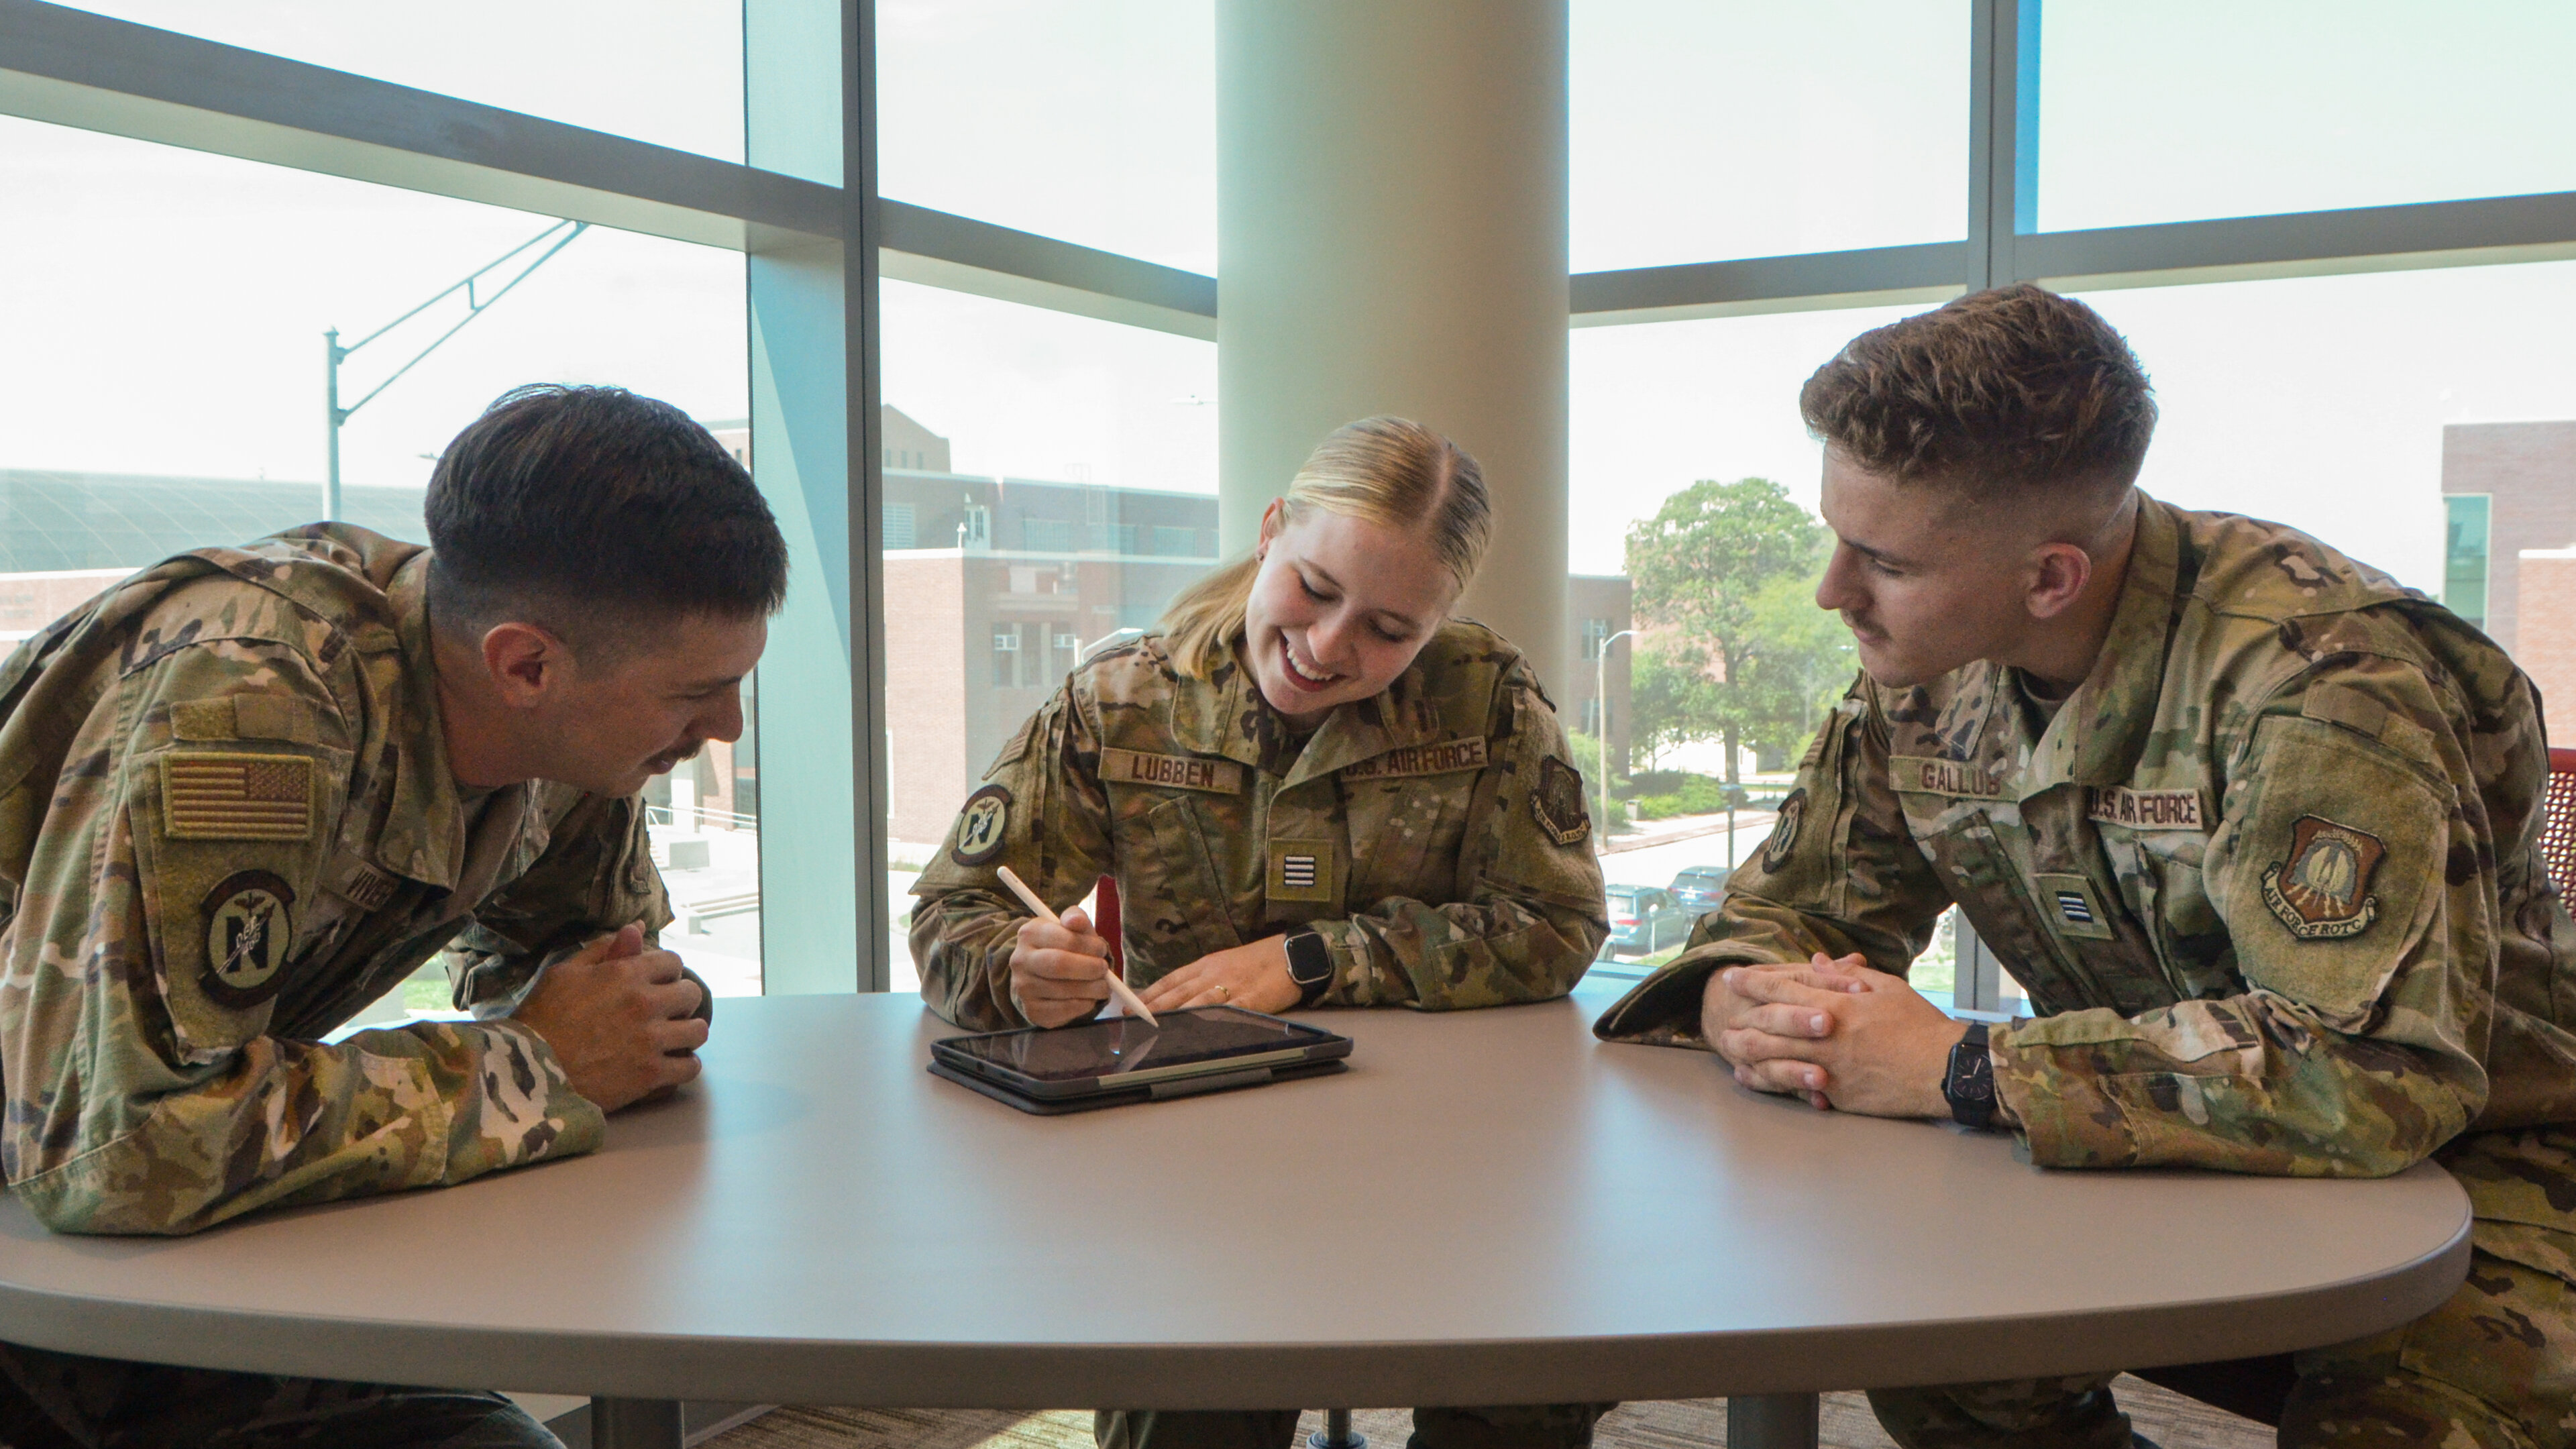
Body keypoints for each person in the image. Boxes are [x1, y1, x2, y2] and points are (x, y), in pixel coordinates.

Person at [1593, 283, 2576, 1448]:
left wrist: (1962, 1069)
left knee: (2412, 1426)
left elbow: (2372, 1076)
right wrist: (1740, 996)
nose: (1831, 591)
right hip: (2146, 1133)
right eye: (1837, 537)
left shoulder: (2324, 684)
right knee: (1933, 1343)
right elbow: (1792, 907)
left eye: (1883, 561)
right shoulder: (1932, 657)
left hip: (2494, 1167)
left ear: (2051, 577)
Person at [0, 384, 786, 1448]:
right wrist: (536, 1062)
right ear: (526, 665)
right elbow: (125, 1147)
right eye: (694, 693)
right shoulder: (250, 697)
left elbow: (610, 981)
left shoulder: (567, 735)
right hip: (53, 1268)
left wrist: (614, 1021)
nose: (725, 727)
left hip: (150, 1252)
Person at [911, 417, 1612, 1449]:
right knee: (1186, 1420)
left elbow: (1556, 921)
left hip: (1445, 1154)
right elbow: (951, 911)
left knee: (1521, 1398)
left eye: (1389, 630)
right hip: (1197, 1170)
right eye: (1315, 589)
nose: (1328, 648)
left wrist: (1315, 961)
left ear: (1439, 622)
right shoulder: (1123, 701)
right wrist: (1020, 974)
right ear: (1271, 530)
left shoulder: (1485, 700)